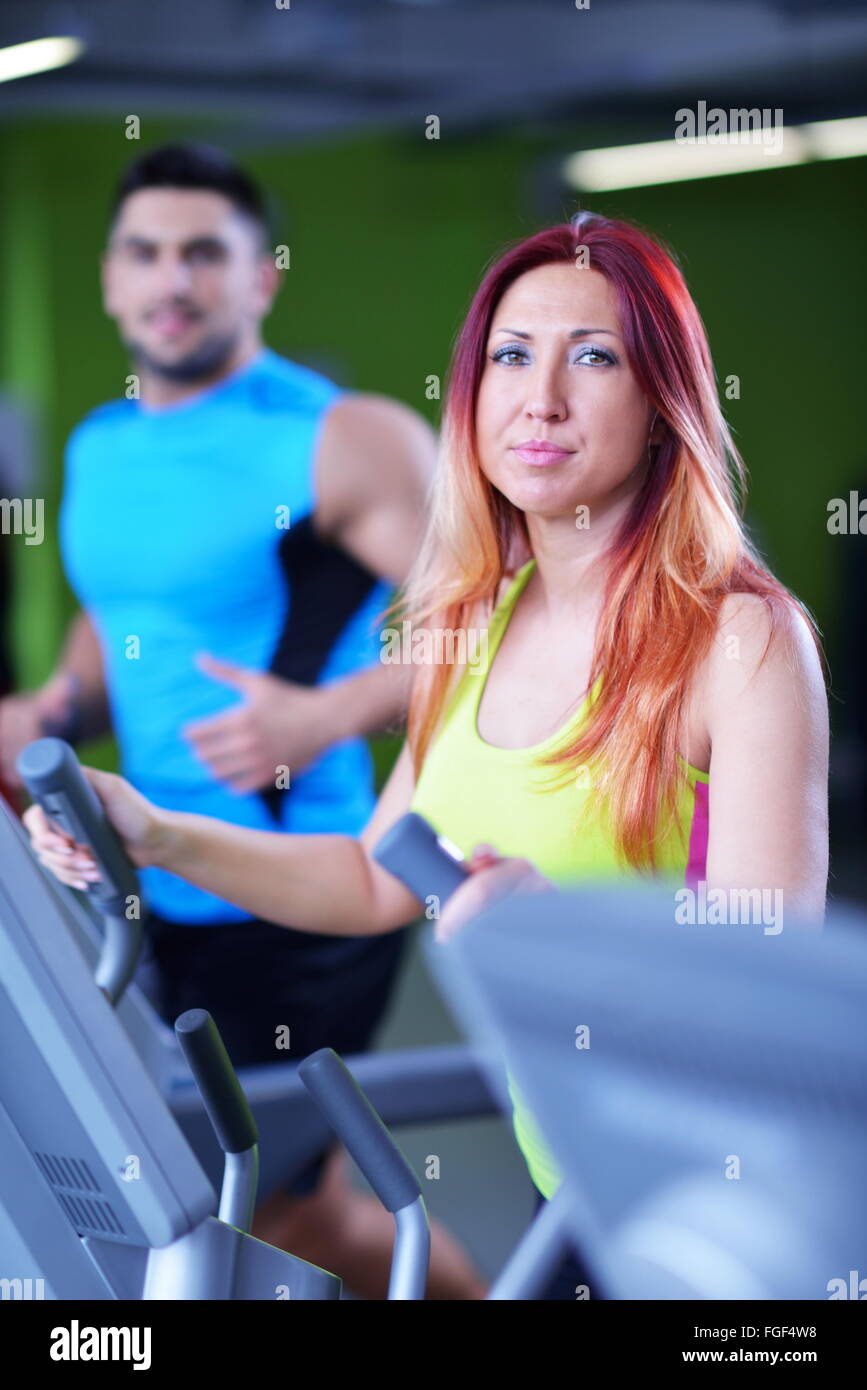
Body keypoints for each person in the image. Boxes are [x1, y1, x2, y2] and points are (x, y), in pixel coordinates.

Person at [26, 211, 830, 1300]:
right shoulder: (476, 619)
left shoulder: (739, 641)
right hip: (571, 1176)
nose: (540, 398)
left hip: (706, 1211)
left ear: (662, 405)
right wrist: (156, 833)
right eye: (511, 356)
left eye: (594, 357)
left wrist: (569, 945)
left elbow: (770, 1001)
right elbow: (372, 878)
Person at [3, 142, 486, 1300]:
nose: (172, 280)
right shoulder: (103, 443)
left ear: (262, 277)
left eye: (204, 254)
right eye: (145, 253)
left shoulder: (344, 437)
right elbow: (123, 619)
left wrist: (324, 714)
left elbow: (490, 630)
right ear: (111, 280)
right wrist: (56, 704)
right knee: (202, 1191)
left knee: (276, 1206)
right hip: (144, 882)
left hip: (302, 890)